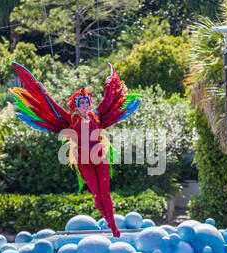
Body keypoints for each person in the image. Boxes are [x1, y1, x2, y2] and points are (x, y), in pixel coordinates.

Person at [9, 63, 141, 237]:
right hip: (84, 162)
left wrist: (109, 83)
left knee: (105, 193)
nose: (85, 104)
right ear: (76, 106)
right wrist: (43, 92)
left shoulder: (97, 115)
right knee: (97, 195)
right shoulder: (71, 120)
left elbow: (107, 99)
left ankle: (114, 227)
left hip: (100, 157)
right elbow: (53, 107)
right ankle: (110, 223)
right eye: (82, 103)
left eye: (87, 102)